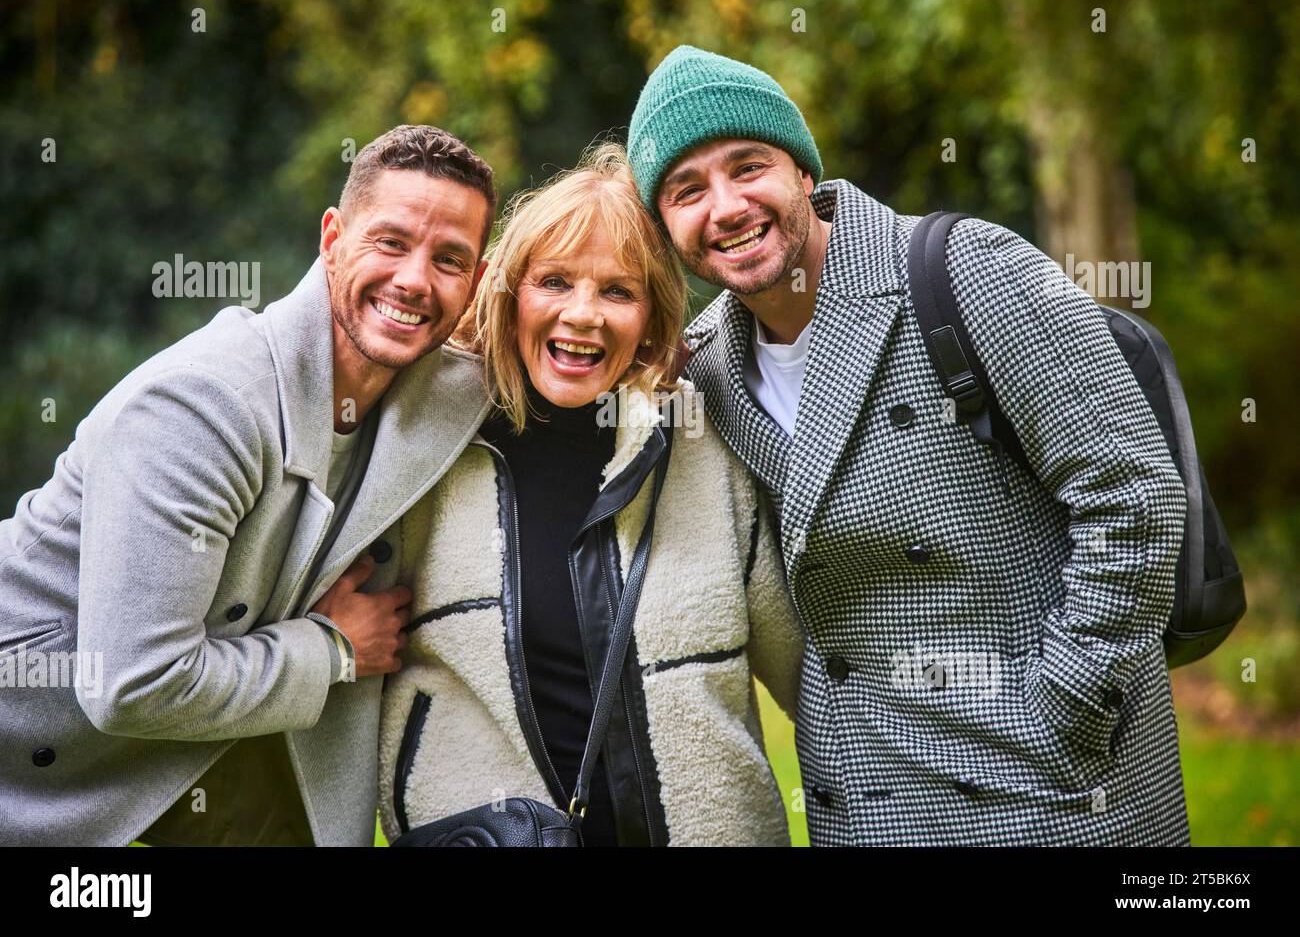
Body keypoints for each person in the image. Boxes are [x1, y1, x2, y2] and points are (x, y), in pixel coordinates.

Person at [627, 46, 1190, 846]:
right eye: (686, 190)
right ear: (666, 227)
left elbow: (1133, 494)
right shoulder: (707, 364)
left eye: (746, 166)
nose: (724, 206)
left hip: (1054, 792)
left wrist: (1068, 703)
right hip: (867, 805)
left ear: (801, 172)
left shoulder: (965, 270)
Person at [0, 124, 495, 846]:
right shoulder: (203, 407)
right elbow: (133, 683)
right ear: (332, 239)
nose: (415, 279)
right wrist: (334, 649)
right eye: (390, 242)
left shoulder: (436, 387)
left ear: (476, 283)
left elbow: (551, 340)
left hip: (208, 743)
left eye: (449, 259)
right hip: (39, 747)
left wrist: (653, 356)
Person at [373, 143, 804, 846]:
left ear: (651, 315)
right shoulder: (427, 445)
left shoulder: (703, 445)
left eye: (617, 291)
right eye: (554, 281)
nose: (583, 315)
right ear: (509, 293)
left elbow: (812, 681)